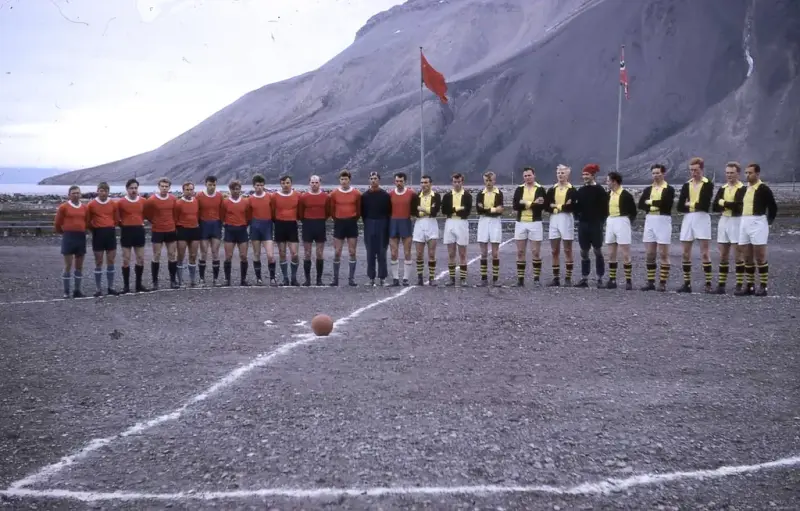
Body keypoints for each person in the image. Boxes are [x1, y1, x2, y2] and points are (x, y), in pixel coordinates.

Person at [736, 163, 778, 297]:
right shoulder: (743, 189)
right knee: (747, 256)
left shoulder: (763, 188)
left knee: (760, 256)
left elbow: (773, 207)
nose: (748, 175)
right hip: (744, 221)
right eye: (746, 173)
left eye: (750, 173)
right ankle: (750, 286)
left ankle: (763, 287)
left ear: (757, 174)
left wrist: (768, 222)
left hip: (758, 221)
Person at [676, 157, 715, 293]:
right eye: (691, 170)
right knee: (685, 253)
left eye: (696, 170)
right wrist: (692, 205)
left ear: (701, 170)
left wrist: (690, 203)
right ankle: (687, 283)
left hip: (702, 218)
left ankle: (708, 283)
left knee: (704, 253)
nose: (693, 173)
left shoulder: (708, 184)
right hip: (688, 218)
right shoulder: (687, 185)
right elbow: (680, 206)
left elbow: (704, 204)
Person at [638, 163, 675, 291]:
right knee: (650, 253)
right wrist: (654, 205)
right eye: (653, 173)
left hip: (663, 220)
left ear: (663, 173)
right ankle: (650, 282)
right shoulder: (648, 189)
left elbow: (666, 204)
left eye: (658, 173)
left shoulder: (669, 189)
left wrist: (651, 202)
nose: (655, 175)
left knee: (663, 253)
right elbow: (641, 204)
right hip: (650, 220)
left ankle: (663, 282)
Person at [712, 162, 745, 294]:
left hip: (736, 221)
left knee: (738, 255)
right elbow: (714, 206)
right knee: (723, 255)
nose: (729, 175)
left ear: (738, 173)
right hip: (724, 220)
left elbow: (738, 206)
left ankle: (739, 284)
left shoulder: (743, 189)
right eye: (727, 173)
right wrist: (727, 204)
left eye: (732, 172)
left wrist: (723, 203)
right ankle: (721, 285)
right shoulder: (723, 188)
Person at [573, 164, 608, 288]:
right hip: (583, 223)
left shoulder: (600, 190)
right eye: (583, 175)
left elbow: (605, 208)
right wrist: (577, 215)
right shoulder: (581, 191)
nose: (584, 177)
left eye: (587, 174)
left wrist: (601, 221)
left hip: (595, 223)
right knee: (584, 251)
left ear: (593, 175)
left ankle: (600, 277)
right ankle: (585, 278)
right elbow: (576, 206)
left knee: (597, 250)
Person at [512, 166, 547, 286]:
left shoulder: (540, 189)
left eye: (529, 175)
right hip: (521, 222)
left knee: (535, 252)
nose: (527, 178)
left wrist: (525, 203)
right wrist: (532, 203)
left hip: (535, 222)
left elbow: (541, 206)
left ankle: (536, 279)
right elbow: (516, 206)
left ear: (534, 175)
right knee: (520, 251)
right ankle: (520, 280)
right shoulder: (519, 189)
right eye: (525, 176)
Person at [603, 172, 637, 290]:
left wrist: (627, 222)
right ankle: (612, 280)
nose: (606, 183)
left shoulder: (626, 195)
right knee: (611, 253)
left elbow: (633, 211)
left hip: (622, 220)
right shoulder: (608, 194)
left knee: (625, 252)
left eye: (608, 181)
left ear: (614, 181)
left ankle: (628, 281)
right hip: (611, 220)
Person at [54, 185, 89, 298]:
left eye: (77, 193)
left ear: (80, 194)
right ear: (69, 195)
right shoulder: (63, 207)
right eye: (73, 193)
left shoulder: (84, 207)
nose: (76, 195)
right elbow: (57, 224)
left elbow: (87, 221)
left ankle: (77, 290)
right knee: (68, 265)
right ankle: (66, 291)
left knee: (79, 266)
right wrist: (65, 233)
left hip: (80, 237)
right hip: (69, 237)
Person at [328, 169, 362, 286]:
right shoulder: (334, 194)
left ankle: (351, 279)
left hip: (351, 223)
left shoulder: (356, 193)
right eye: (342, 179)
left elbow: (358, 211)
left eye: (346, 179)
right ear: (339, 180)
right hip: (339, 223)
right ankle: (335, 279)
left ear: (349, 180)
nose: (344, 181)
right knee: (337, 252)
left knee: (352, 251)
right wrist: (337, 218)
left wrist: (352, 218)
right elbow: (332, 210)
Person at [545, 165, 577, 286]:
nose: (560, 175)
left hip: (566, 219)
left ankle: (568, 278)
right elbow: (547, 206)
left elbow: (571, 206)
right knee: (554, 250)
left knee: (568, 249)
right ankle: (556, 278)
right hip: (554, 219)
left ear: (567, 175)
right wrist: (561, 206)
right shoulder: (552, 189)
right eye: (558, 172)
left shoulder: (572, 190)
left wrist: (556, 206)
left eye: (562, 173)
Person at [145, 177, 178, 289]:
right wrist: (154, 221)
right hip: (157, 230)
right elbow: (147, 213)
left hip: (170, 230)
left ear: (169, 187)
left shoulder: (173, 199)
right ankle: (155, 281)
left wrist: (172, 223)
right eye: (162, 186)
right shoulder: (151, 200)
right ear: (159, 187)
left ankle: (173, 280)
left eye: (166, 186)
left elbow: (175, 213)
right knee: (157, 255)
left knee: (172, 255)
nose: (164, 188)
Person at [87, 182, 119, 297]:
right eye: (101, 190)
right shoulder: (91, 205)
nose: (103, 193)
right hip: (98, 234)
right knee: (99, 261)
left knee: (111, 261)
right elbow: (88, 221)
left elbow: (116, 220)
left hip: (110, 233)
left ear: (108, 192)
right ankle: (98, 288)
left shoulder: (113, 204)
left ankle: (110, 287)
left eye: (105, 191)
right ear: (97, 191)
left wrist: (108, 226)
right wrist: (96, 229)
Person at [117, 178, 149, 293]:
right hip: (126, 231)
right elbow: (117, 217)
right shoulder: (120, 202)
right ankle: (126, 286)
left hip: (139, 230)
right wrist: (124, 225)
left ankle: (138, 284)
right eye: (131, 188)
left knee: (140, 258)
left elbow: (146, 213)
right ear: (127, 189)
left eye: (135, 188)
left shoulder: (143, 201)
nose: (134, 190)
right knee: (126, 259)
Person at [441, 172, 472, 286]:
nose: (457, 184)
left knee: (462, 253)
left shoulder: (467, 196)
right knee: (451, 253)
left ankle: (463, 278)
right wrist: (458, 208)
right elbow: (444, 210)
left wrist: (453, 209)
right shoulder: (447, 196)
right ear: (452, 182)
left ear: (462, 182)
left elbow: (467, 211)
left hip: (462, 223)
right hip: (450, 223)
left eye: (459, 182)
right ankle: (452, 278)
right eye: (455, 182)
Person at [361, 172, 392, 286]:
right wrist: (368, 222)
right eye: (371, 178)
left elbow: (389, 211)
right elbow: (363, 213)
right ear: (369, 180)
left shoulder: (385, 195)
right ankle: (371, 278)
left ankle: (382, 278)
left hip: (382, 224)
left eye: (375, 178)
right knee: (370, 252)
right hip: (369, 223)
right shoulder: (365, 196)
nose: (373, 180)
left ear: (379, 180)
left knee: (382, 252)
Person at [410, 175, 441, 286]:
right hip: (419, 224)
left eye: (426, 182)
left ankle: (432, 278)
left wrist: (422, 209)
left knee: (431, 253)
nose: (424, 185)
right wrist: (427, 210)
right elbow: (413, 211)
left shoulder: (436, 196)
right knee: (419, 254)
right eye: (422, 182)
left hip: (431, 223)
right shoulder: (416, 196)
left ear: (430, 184)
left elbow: (434, 211)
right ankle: (420, 278)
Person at [299, 175, 329, 286]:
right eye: (312, 182)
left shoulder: (325, 196)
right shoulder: (304, 197)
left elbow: (328, 211)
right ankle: (307, 280)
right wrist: (307, 220)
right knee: (307, 253)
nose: (314, 184)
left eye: (316, 182)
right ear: (309, 183)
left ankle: (319, 279)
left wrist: (320, 219)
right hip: (308, 224)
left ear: (320, 183)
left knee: (320, 253)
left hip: (320, 224)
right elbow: (300, 213)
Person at [386, 172, 416, 286]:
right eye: (397, 181)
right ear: (394, 181)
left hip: (405, 222)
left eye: (401, 181)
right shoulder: (390, 194)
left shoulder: (411, 193)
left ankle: (406, 278)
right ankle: (395, 278)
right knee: (394, 253)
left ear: (405, 182)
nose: (399, 183)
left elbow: (415, 207)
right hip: (393, 223)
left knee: (407, 252)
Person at [475, 171, 504, 286]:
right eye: (486, 180)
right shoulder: (480, 194)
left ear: (494, 180)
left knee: (495, 253)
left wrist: (487, 209)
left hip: (495, 222)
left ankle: (495, 279)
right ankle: (483, 278)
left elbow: (500, 210)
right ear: (484, 181)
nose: (488, 183)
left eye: (490, 180)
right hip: (483, 221)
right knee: (483, 252)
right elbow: (479, 210)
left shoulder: (499, 193)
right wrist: (493, 209)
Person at [272, 175, 301, 286]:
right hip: (280, 225)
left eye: (287, 183)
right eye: (283, 183)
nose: (285, 185)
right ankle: (285, 278)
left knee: (294, 253)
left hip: (292, 225)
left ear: (291, 184)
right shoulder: (274, 196)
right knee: (282, 253)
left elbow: (300, 211)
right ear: (280, 184)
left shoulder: (297, 195)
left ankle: (293, 277)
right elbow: (272, 210)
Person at [221, 180, 251, 287]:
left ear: (240, 189)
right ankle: (227, 280)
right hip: (230, 231)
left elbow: (248, 216)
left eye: (237, 189)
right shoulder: (225, 202)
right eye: (233, 189)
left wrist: (243, 225)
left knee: (243, 256)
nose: (235, 191)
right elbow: (222, 216)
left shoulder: (245, 202)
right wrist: (228, 225)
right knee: (228, 256)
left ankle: (243, 280)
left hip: (242, 230)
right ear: (230, 190)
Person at [249, 174, 276, 286]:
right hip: (255, 227)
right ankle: (259, 278)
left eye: (261, 185)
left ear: (264, 185)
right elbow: (248, 214)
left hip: (267, 227)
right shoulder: (250, 199)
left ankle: (272, 278)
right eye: (257, 185)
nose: (259, 187)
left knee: (270, 255)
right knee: (256, 253)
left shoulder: (270, 197)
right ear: (254, 186)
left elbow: (273, 211)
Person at [196, 175, 223, 286]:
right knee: (203, 253)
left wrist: (221, 223)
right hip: (203, 226)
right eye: (210, 185)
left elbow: (222, 211)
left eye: (214, 185)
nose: (212, 187)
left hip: (216, 225)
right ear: (206, 184)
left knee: (215, 253)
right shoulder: (199, 196)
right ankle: (202, 279)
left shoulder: (219, 196)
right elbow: (196, 210)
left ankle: (215, 279)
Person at [174, 181, 201, 287]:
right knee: (180, 256)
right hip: (182, 230)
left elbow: (197, 215)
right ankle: (180, 281)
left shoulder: (196, 201)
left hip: (194, 229)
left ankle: (193, 280)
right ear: (183, 191)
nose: (189, 192)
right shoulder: (178, 203)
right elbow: (175, 217)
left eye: (191, 189)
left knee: (193, 255)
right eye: (187, 190)